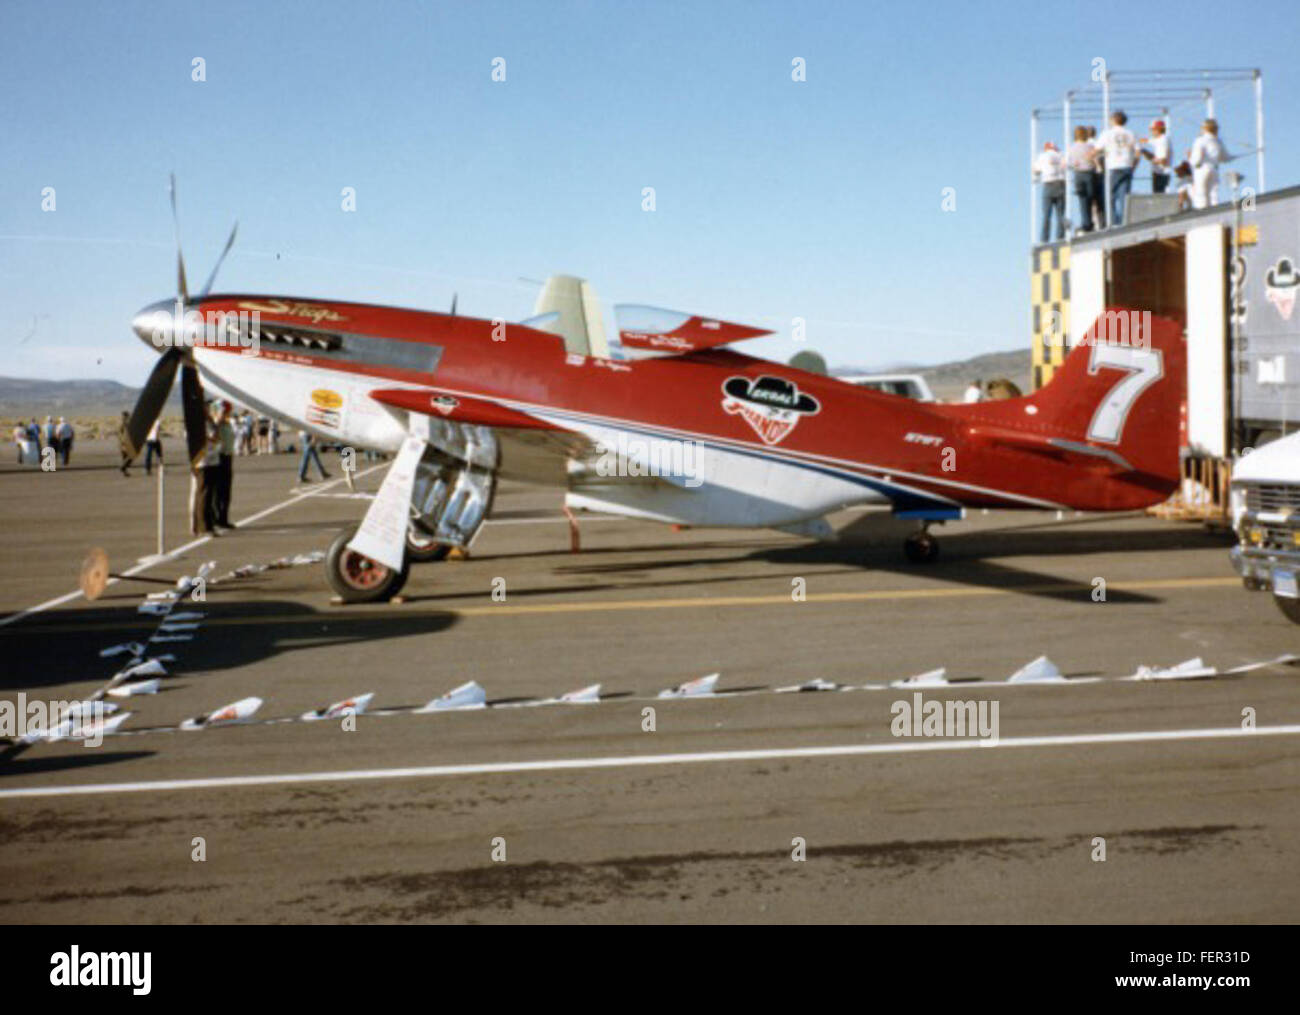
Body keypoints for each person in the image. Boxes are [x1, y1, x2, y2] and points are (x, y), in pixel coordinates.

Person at [1096, 111, 1139, 227]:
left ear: (1114, 120)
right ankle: (1124, 221)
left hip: (1113, 166)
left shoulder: (1107, 133)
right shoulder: (1131, 133)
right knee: (1123, 196)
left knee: (1110, 195)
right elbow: (1138, 152)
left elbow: (1097, 149)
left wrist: (1088, 157)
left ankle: (1114, 221)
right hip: (1126, 165)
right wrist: (1133, 165)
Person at [1189, 118, 1230, 209]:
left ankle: (1201, 213)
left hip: (1201, 168)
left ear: (1204, 128)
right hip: (1214, 168)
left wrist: (1192, 161)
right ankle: (1215, 211)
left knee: (1201, 193)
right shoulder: (1218, 141)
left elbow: (1197, 158)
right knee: (1213, 193)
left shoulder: (1200, 140)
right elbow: (1225, 157)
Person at [1032, 142, 1066, 243]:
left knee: (1047, 214)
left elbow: (1035, 170)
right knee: (1060, 214)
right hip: (1061, 183)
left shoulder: (1042, 156)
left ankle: (1044, 238)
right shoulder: (1060, 155)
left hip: (1048, 183)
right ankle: (1060, 237)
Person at [1066, 126, 1097, 233]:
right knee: (1091, 199)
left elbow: (1067, 163)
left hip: (1078, 174)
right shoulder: (1090, 146)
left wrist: (1074, 164)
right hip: (1089, 173)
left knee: (1083, 200)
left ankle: (1086, 223)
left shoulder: (1071, 147)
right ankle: (1092, 222)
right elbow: (1095, 159)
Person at [214, 401, 235, 528]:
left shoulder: (228, 424)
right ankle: (217, 518)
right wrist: (218, 416)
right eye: (225, 411)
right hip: (219, 457)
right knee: (219, 490)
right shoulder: (217, 425)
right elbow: (213, 430)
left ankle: (224, 518)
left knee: (226, 491)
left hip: (228, 457)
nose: (227, 413)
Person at [1141, 119, 1172, 193]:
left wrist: (1150, 157)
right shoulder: (1159, 140)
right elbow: (1147, 141)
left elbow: (1162, 160)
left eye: (1152, 129)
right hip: (1159, 172)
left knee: (1159, 197)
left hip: (1161, 173)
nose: (1151, 132)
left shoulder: (1162, 140)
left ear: (1158, 129)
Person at [1086, 126, 1106, 229]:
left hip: (1092, 173)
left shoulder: (1087, 144)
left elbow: (1091, 157)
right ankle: (1102, 222)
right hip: (1100, 173)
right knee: (1100, 200)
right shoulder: (1098, 143)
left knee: (1092, 200)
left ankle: (1094, 224)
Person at [118, 410, 132, 475]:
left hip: (124, 443)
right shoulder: (123, 424)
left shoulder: (126, 424)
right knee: (129, 456)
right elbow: (120, 433)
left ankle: (125, 471)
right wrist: (122, 440)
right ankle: (123, 467)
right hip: (124, 443)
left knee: (125, 457)